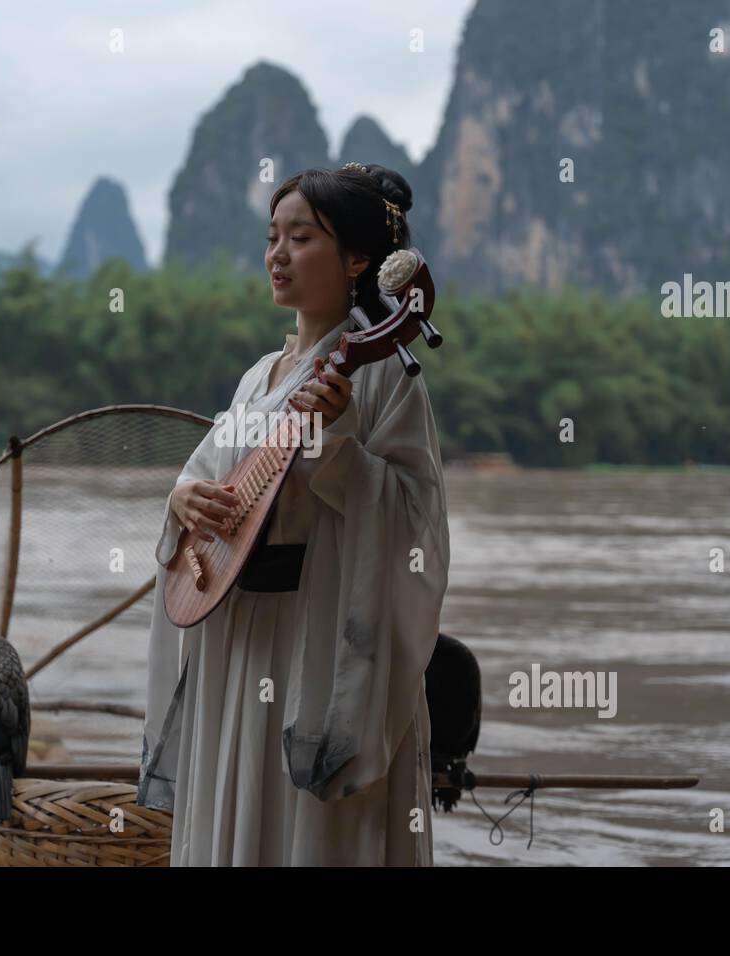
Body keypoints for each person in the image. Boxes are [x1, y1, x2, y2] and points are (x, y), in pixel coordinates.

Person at [137, 163, 450, 866]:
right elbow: (205, 477)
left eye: (301, 237)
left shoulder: (383, 375)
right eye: (272, 236)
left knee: (309, 837)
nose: (277, 254)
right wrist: (180, 501)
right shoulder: (258, 378)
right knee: (237, 817)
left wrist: (337, 442)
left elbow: (414, 522)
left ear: (358, 260)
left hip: (315, 637)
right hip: (235, 639)